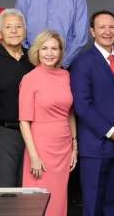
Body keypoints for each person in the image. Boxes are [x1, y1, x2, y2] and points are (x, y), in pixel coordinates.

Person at [69, 10, 114, 216]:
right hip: (95, 148)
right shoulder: (82, 62)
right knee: (93, 207)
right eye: (102, 27)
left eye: (111, 27)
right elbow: (82, 105)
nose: (107, 31)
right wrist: (111, 131)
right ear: (92, 31)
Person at [19, 30, 76, 216]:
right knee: (38, 201)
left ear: (60, 52)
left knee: (58, 199)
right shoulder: (30, 79)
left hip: (64, 148)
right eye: (44, 48)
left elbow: (70, 113)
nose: (49, 53)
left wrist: (74, 146)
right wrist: (34, 156)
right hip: (41, 148)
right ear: (37, 51)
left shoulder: (66, 76)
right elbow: (24, 122)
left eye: (54, 48)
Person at [0, 8, 34, 187]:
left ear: (25, 31)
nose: (14, 31)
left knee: (31, 188)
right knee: (5, 188)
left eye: (18, 26)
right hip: (4, 132)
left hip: (36, 133)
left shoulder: (35, 58)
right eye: (8, 27)